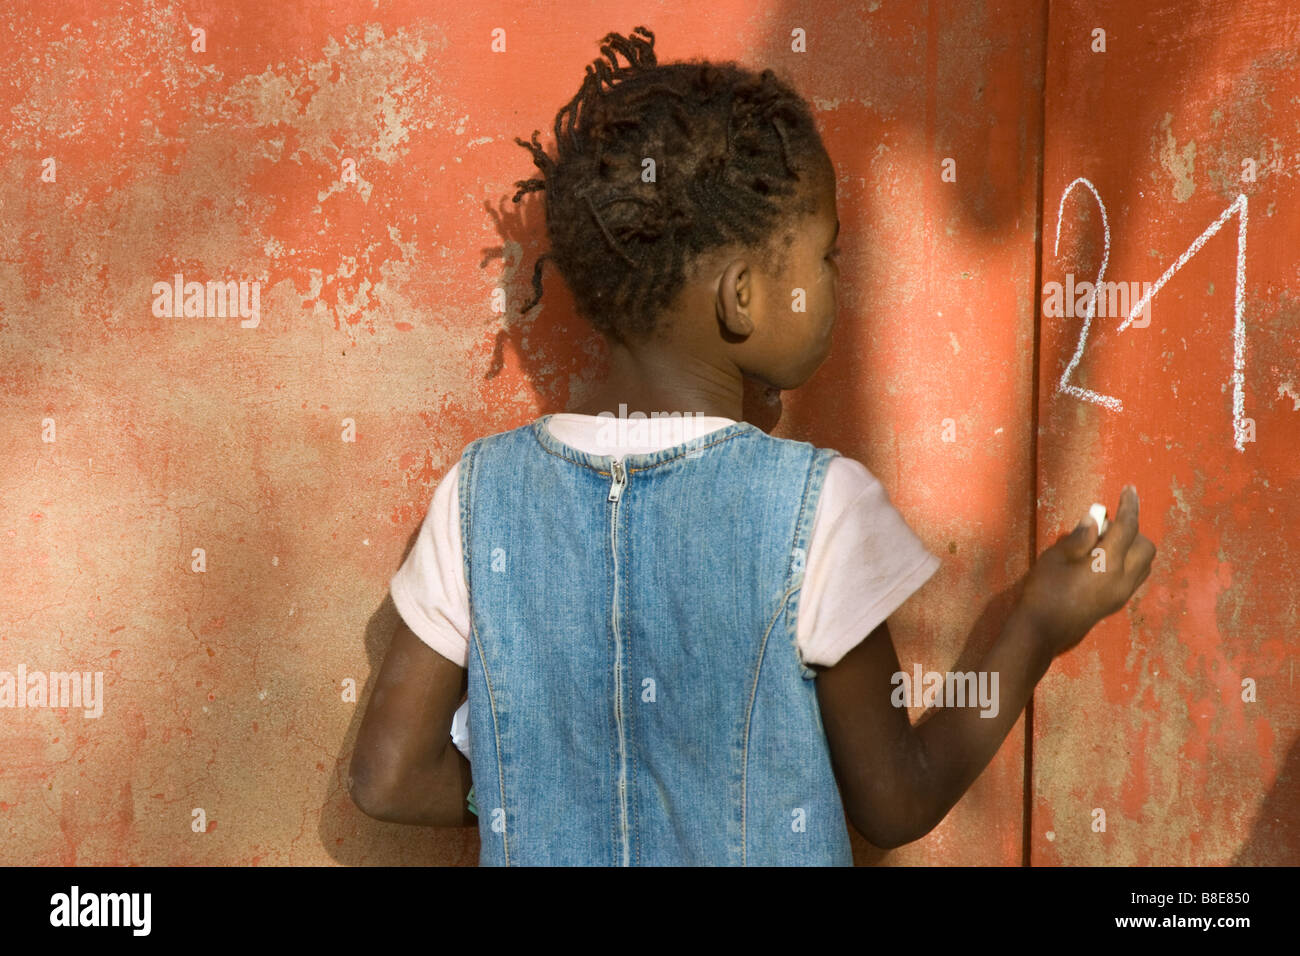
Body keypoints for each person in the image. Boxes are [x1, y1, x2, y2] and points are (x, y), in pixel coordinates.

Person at [347, 26, 1156, 865]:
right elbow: (897, 799)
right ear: (742, 299)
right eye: (827, 254)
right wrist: (1037, 624)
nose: (839, 277)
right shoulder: (816, 506)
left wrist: (538, 791)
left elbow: (390, 777)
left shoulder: (479, 494)